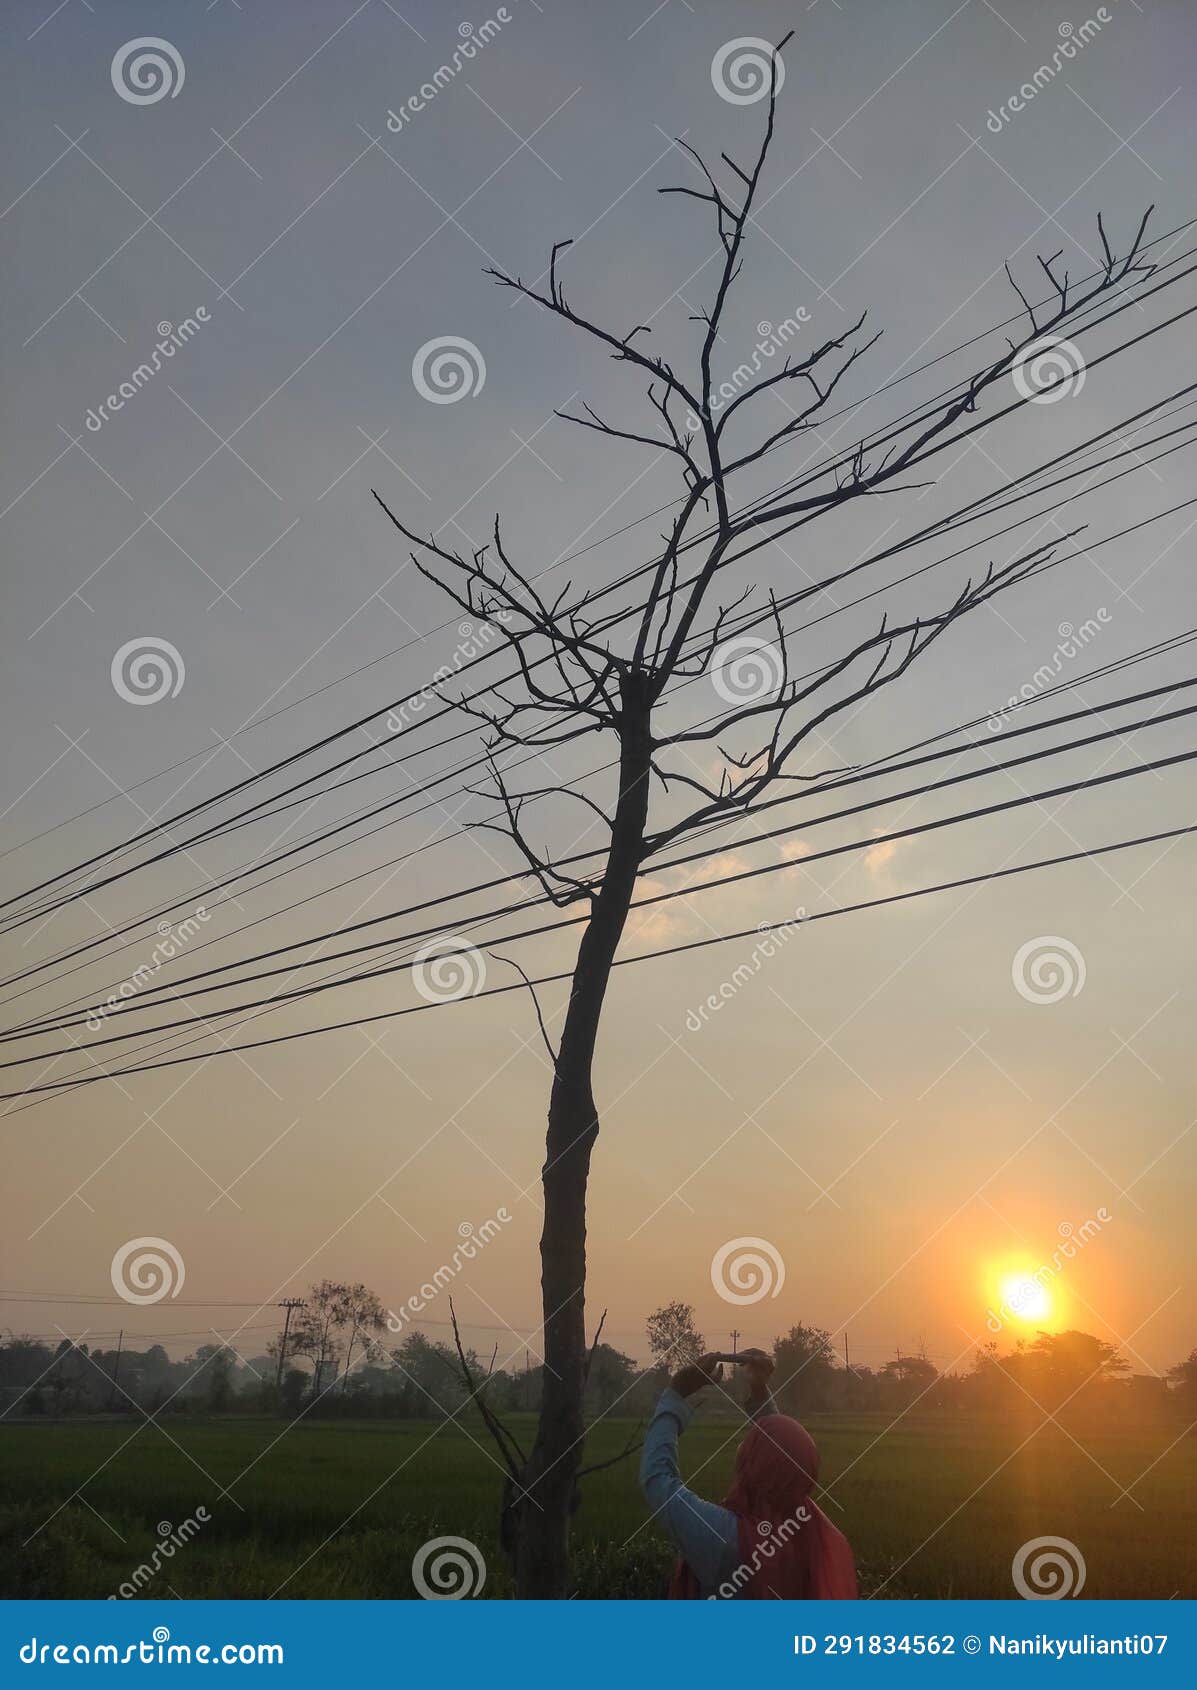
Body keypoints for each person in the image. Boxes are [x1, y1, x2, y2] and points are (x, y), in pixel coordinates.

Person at [639, 1348, 857, 1600]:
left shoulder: (724, 1537)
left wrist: (677, 1391)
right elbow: (783, 1459)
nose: (741, 1446)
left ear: (755, 1463)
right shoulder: (815, 1533)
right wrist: (759, 1390)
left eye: (750, 1444)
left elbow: (657, 1478)